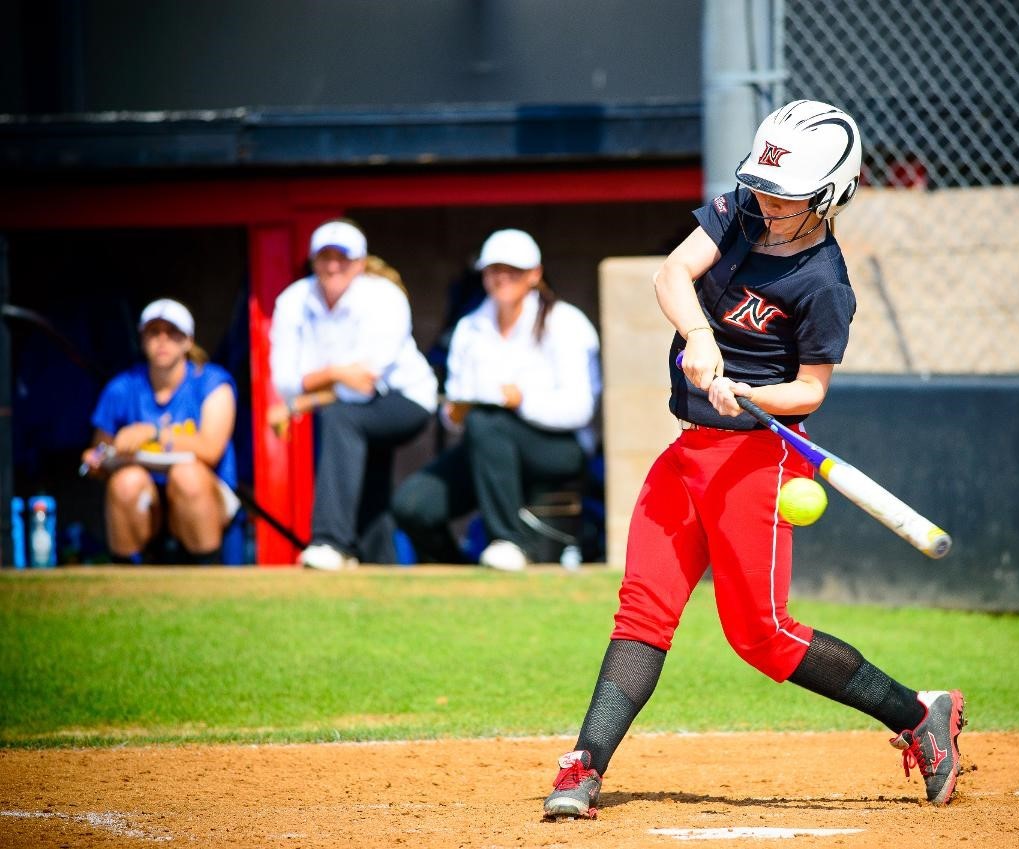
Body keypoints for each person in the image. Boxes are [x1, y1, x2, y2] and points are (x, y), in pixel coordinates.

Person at [541, 100, 964, 821]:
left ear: (828, 196)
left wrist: (751, 390)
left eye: (787, 195)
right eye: (764, 188)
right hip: (687, 455)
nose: (767, 202)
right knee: (642, 610)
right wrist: (700, 337)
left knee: (761, 638)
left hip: (757, 461)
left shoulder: (824, 282)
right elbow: (673, 273)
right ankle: (585, 761)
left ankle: (919, 712)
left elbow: (810, 388)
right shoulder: (740, 211)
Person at [391, 229, 601, 571]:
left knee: (487, 422)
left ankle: (510, 541)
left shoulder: (566, 323)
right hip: (486, 442)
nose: (502, 278)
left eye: (513, 270)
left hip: (559, 449)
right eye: (493, 270)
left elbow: (580, 409)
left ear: (535, 274)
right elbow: (459, 404)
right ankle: (457, 571)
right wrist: (453, 414)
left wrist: (522, 400)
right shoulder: (469, 328)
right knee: (413, 505)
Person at [270, 219, 438, 570]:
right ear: (313, 261)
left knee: (342, 420)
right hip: (353, 404)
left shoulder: (384, 297)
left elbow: (364, 382)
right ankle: (379, 564)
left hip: (408, 399)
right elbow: (284, 381)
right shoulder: (293, 300)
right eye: (325, 257)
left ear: (360, 263)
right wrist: (334, 374)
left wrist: (309, 394)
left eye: (343, 259)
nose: (333, 267)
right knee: (369, 482)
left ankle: (330, 541)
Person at [80, 298, 238, 564]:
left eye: (172, 333)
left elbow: (211, 450)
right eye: (154, 332)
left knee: (187, 477)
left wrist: (153, 433)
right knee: (126, 482)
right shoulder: (123, 386)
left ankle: (208, 575)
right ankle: (128, 581)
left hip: (204, 498)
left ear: (188, 341)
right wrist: (97, 459)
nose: (162, 340)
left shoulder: (212, 382)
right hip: (145, 502)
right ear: (142, 339)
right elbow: (100, 452)